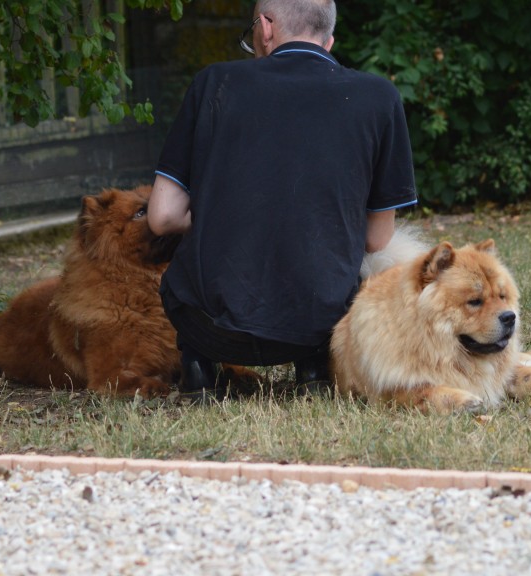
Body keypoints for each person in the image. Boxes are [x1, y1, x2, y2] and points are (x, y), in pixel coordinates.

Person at [148, 0, 417, 400]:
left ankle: (199, 368)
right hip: (319, 322)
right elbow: (376, 240)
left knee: (182, 278)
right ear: (329, 41)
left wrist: (220, 214)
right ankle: (312, 368)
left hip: (212, 326)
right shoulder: (378, 96)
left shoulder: (214, 84)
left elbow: (163, 217)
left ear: (266, 26)